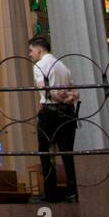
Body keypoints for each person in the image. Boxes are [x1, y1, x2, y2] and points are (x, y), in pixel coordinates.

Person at [29, 35, 80, 203]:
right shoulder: (62, 65)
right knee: (67, 153)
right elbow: (75, 92)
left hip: (50, 113)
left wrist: (58, 97)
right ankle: (73, 192)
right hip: (68, 113)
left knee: (46, 152)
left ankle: (50, 193)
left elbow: (45, 91)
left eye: (31, 50)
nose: (30, 54)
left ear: (39, 50)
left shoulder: (40, 66)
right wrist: (67, 98)